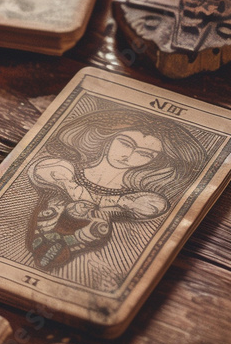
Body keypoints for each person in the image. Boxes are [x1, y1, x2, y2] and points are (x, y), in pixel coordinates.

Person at [27, 109, 207, 272]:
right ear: (107, 140)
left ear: (155, 161)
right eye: (125, 144)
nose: (128, 156)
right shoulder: (61, 170)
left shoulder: (141, 200)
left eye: (144, 154)